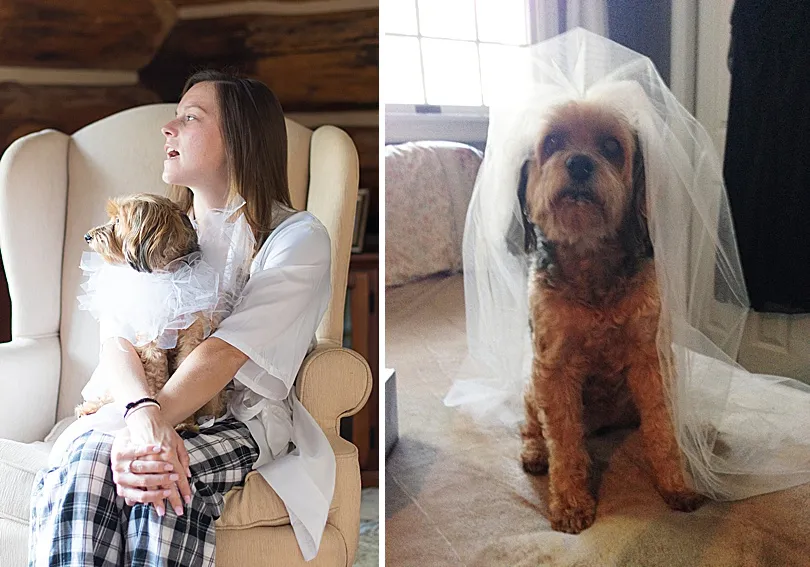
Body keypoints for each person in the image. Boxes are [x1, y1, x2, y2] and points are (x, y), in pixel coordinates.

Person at [29, 70, 335, 566]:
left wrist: (150, 430)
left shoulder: (297, 239)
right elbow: (119, 343)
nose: (168, 127)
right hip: (137, 405)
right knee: (82, 465)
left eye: (190, 117)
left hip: (238, 419)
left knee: (162, 483)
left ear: (239, 137)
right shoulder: (154, 233)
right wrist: (142, 418)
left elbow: (224, 351)